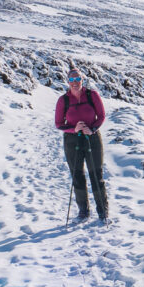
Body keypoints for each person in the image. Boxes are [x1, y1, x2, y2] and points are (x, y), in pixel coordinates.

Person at [54, 68, 109, 221]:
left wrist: (91, 129)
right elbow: (58, 124)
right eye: (71, 79)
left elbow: (101, 116)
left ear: (82, 79)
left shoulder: (92, 95)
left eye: (77, 78)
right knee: (77, 175)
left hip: (92, 138)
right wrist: (74, 129)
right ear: (67, 81)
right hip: (72, 140)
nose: (75, 82)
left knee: (96, 175)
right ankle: (83, 211)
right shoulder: (63, 100)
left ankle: (103, 212)